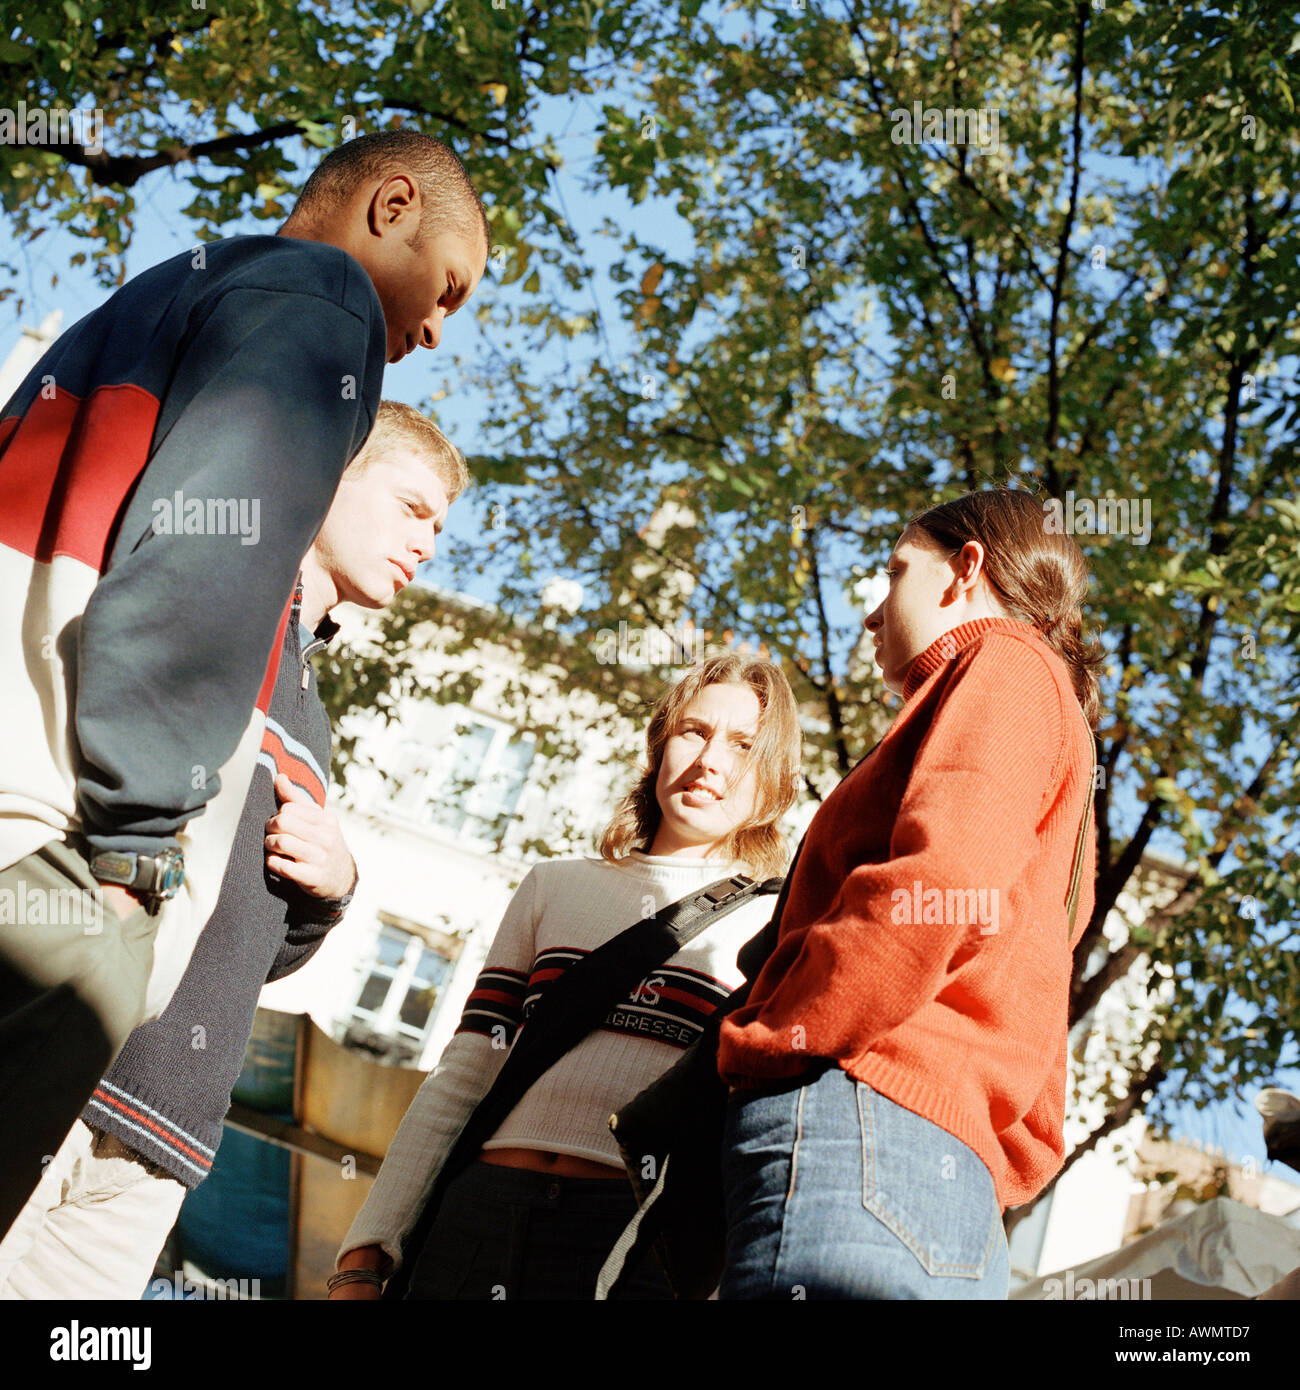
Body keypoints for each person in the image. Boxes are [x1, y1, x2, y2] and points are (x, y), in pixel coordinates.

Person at [0, 130, 489, 1236]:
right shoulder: (321, 304)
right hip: (60, 847)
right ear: (392, 205)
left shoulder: (168, 293)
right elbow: (195, 571)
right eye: (448, 288)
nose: (434, 330)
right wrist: (133, 847)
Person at [0, 402, 469, 1299]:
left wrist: (334, 890)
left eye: (441, 528)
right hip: (66, 1058)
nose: (429, 546)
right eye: (413, 508)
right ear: (333, 477)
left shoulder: (315, 719)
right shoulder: (210, 597)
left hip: (165, 1135)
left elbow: (261, 951)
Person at [715, 486, 1101, 1300]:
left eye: (894, 572)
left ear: (967, 570)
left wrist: (779, 1035)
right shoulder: (1056, 720)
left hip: (865, 1120)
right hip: (948, 1173)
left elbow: (944, 883)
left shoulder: (1005, 661)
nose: (870, 610)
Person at [330, 653, 803, 1300]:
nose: (711, 760)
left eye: (744, 744)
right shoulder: (552, 887)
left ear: (774, 779)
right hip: (476, 1218)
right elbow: (464, 1071)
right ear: (659, 745)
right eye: (694, 731)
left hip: (629, 1247)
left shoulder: (779, 925)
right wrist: (365, 1253)